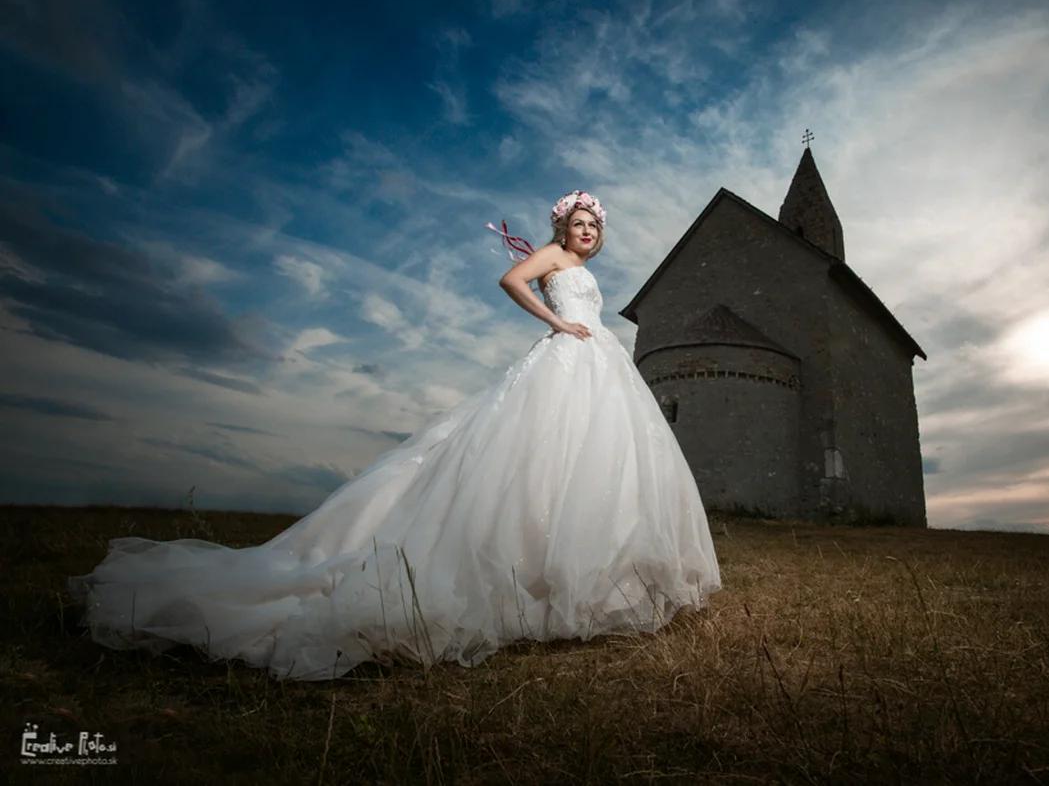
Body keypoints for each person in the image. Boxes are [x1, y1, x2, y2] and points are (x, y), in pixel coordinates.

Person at [66, 189, 722, 681]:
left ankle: (589, 576)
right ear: (562, 228)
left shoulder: (585, 267)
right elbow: (510, 280)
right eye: (579, 223)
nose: (586, 232)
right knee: (535, 460)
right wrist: (555, 323)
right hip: (566, 358)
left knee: (596, 466)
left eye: (593, 227)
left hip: (599, 364)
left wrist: (581, 328)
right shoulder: (549, 256)